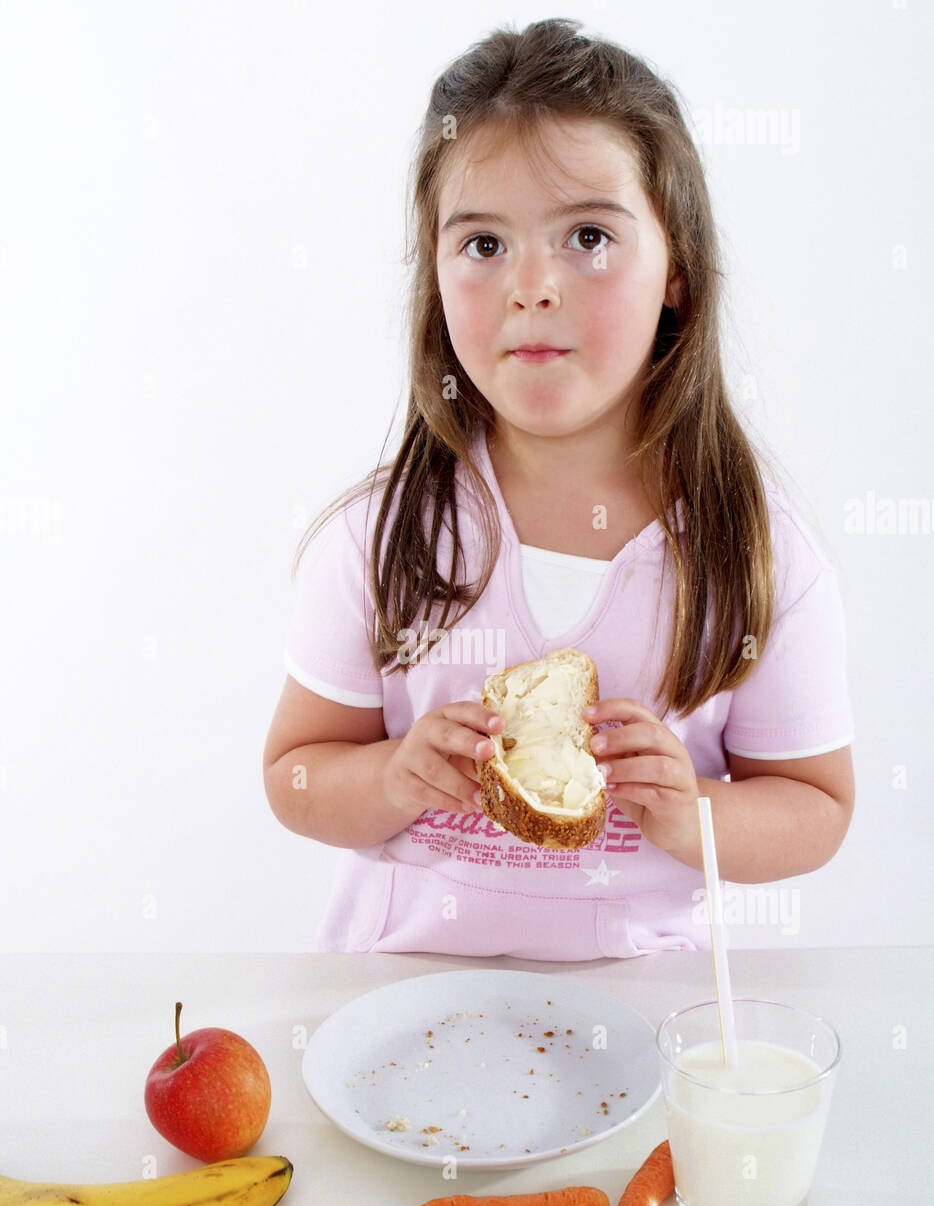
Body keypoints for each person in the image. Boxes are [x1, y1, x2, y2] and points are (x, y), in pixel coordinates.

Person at [263, 19, 855, 959]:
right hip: (402, 1017)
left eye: (587, 236)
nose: (531, 287)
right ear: (436, 276)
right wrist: (394, 779)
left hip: (644, 1025)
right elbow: (296, 776)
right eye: (484, 244)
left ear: (679, 272)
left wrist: (690, 812)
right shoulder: (380, 535)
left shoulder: (759, 553)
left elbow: (816, 808)